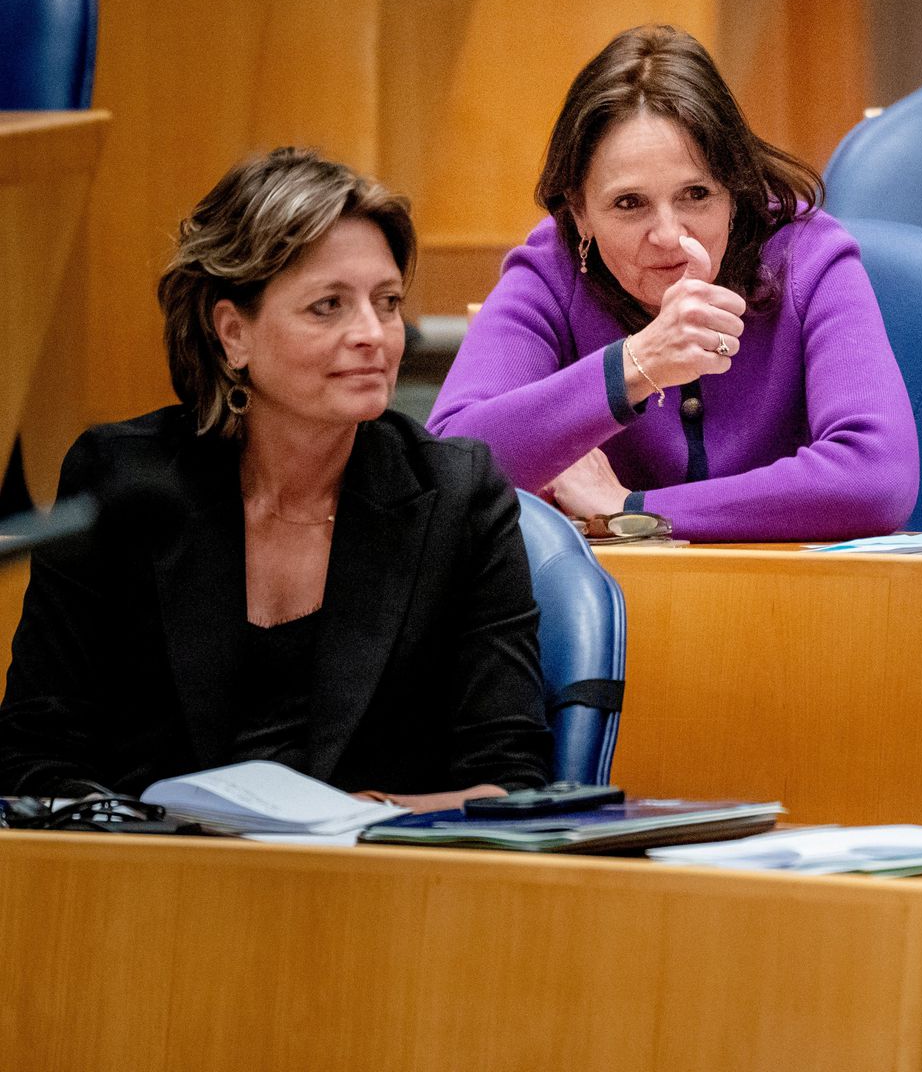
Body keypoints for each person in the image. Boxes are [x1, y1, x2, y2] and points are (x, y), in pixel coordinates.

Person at [0, 149, 552, 805]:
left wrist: (353, 821)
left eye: (387, 302)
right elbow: (35, 758)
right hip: (154, 887)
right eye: (328, 306)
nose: (373, 335)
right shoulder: (122, 485)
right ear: (233, 332)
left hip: (373, 888)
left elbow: (512, 785)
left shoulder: (460, 499)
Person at [428, 25, 918, 542]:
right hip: (622, 605)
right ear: (580, 212)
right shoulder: (553, 270)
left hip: (794, 602)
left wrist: (633, 510)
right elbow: (446, 470)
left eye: (696, 194)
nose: (667, 235)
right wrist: (632, 367)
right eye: (629, 203)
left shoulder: (808, 258)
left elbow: (876, 479)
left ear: (735, 189)